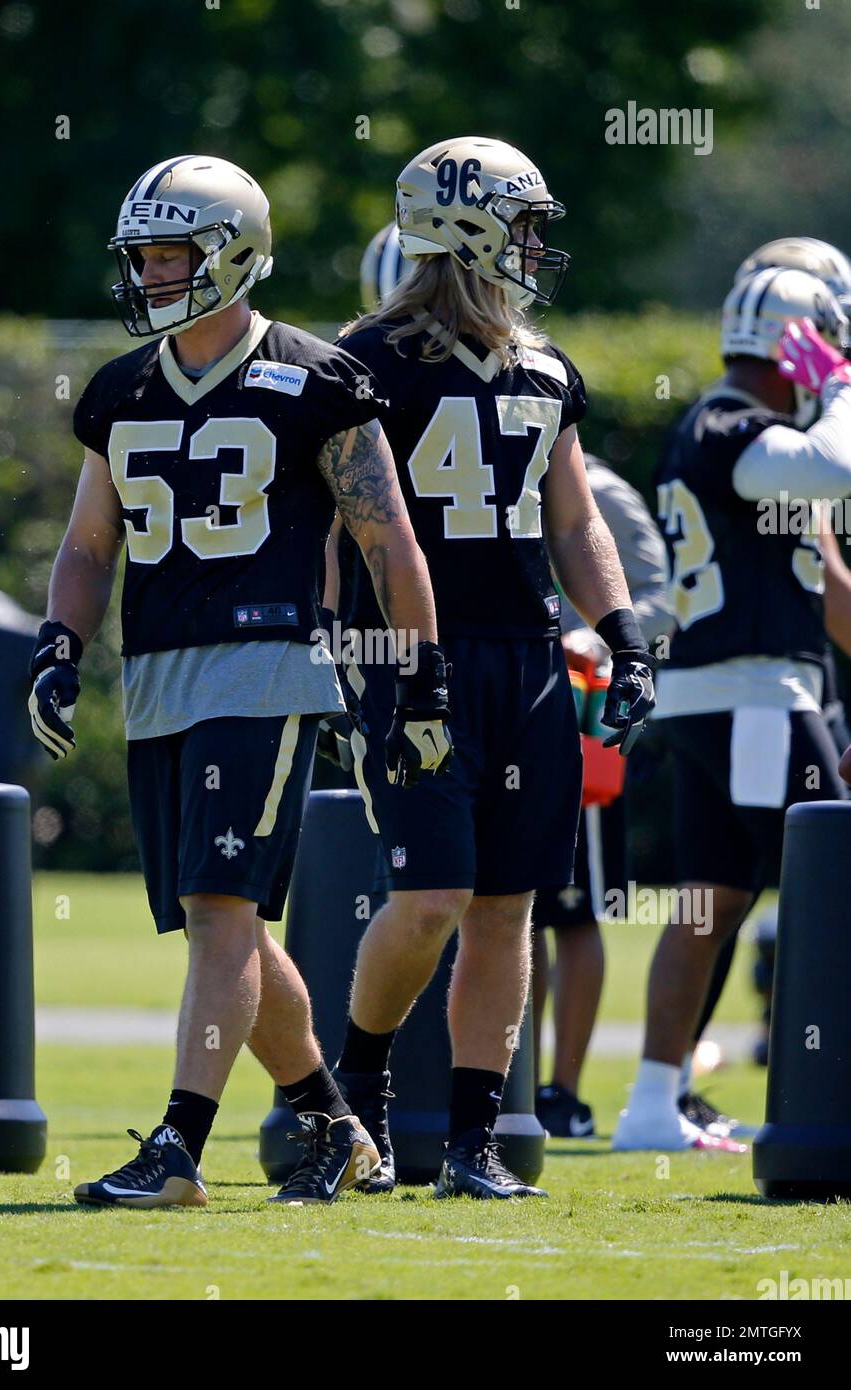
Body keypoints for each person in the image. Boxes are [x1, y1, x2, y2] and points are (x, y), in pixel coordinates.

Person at [28, 154, 452, 1208]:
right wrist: (58, 646)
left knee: (220, 911)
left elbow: (388, 539)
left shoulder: (316, 375)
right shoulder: (123, 387)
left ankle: (178, 1148)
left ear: (233, 254)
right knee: (232, 927)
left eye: (172, 254)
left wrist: (420, 676)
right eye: (145, 255)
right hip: (162, 675)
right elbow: (89, 544)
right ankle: (334, 1126)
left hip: (266, 669)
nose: (153, 275)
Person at [327, 137, 656, 1198]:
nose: (536, 246)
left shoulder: (545, 367)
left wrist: (622, 628)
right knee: (430, 895)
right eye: (523, 225)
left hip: (525, 661)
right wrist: (328, 651)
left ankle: (473, 1142)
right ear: (470, 230)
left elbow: (574, 517)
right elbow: (331, 531)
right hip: (412, 658)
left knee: (507, 904)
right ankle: (358, 1098)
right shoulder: (362, 364)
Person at [612, 264, 851, 1152]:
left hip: (734, 696)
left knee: (709, 900)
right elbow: (833, 460)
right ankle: (821, 1096)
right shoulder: (728, 425)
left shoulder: (756, 437)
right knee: (830, 880)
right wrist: (838, 393)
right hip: (751, 695)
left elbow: (828, 588)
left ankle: (650, 1107)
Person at [532, 454, 673, 1139]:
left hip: (580, 714)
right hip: (509, 707)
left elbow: (658, 593)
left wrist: (593, 639)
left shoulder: (603, 489)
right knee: (509, 909)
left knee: (573, 911)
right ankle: (507, 1086)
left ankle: (561, 1091)